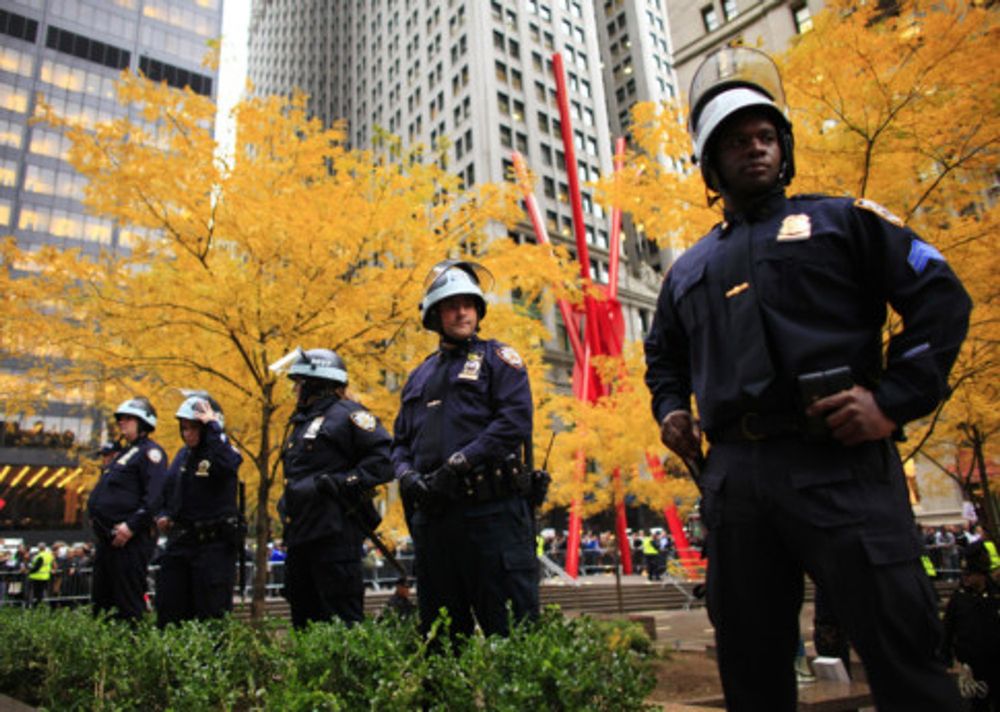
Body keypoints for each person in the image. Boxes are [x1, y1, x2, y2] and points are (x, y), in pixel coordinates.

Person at [643, 46, 969, 710]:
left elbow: (941, 301)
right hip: (736, 480)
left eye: (766, 136)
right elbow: (663, 359)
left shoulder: (845, 220)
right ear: (711, 163)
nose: (755, 149)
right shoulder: (688, 268)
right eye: (737, 142)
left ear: (783, 149)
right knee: (751, 663)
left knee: (904, 653)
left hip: (840, 463)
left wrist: (892, 402)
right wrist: (670, 408)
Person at [390, 259, 544, 639]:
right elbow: (399, 443)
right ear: (435, 315)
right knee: (440, 641)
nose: (462, 312)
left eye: (468, 304)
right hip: (436, 522)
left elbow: (513, 423)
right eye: (451, 305)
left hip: (491, 516)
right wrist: (406, 475)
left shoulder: (499, 359)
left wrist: (459, 463)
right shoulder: (419, 376)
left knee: (511, 635)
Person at [277, 348, 393, 628]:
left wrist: (344, 482)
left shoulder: (348, 415)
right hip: (302, 535)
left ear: (316, 383)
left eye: (299, 383)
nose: (295, 390)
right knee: (304, 619)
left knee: (342, 621)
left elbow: (384, 461)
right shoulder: (300, 424)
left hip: (335, 535)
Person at [154, 394, 243, 627]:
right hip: (181, 544)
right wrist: (163, 514)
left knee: (211, 616)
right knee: (169, 612)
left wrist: (213, 426)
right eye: (184, 428)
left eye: (194, 427)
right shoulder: (183, 456)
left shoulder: (222, 451)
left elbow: (229, 464)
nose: (188, 434)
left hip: (212, 547)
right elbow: (168, 491)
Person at [87, 397, 168, 621]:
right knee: (102, 602)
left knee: (127, 603)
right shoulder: (123, 454)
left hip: (130, 540)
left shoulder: (151, 453)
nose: (122, 422)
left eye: (128, 418)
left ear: (143, 422)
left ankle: (130, 646)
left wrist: (132, 526)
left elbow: (154, 497)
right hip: (108, 540)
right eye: (121, 419)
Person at [942, 542, 1000, 711]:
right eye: (963, 574)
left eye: (969, 574)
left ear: (981, 574)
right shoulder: (959, 599)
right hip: (973, 667)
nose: (965, 578)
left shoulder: (995, 595)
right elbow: (948, 628)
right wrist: (946, 657)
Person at [26, 542, 53, 607]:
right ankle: (41, 605)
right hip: (45, 576)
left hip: (36, 576)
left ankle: (35, 606)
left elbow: (37, 567)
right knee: (42, 593)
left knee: (35, 593)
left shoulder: (40, 556)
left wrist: (29, 571)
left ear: (39, 547)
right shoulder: (49, 555)